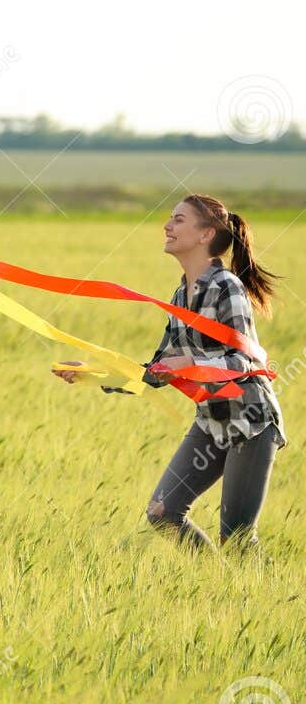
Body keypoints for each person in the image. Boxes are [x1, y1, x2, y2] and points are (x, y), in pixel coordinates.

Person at [56, 194, 285, 553]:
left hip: (250, 421)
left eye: (178, 220)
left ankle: (254, 598)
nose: (167, 226)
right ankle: (217, 587)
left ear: (205, 234)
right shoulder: (181, 295)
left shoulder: (227, 287)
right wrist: (92, 373)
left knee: (236, 538)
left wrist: (191, 366)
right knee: (163, 511)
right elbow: (156, 372)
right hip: (210, 422)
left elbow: (246, 363)